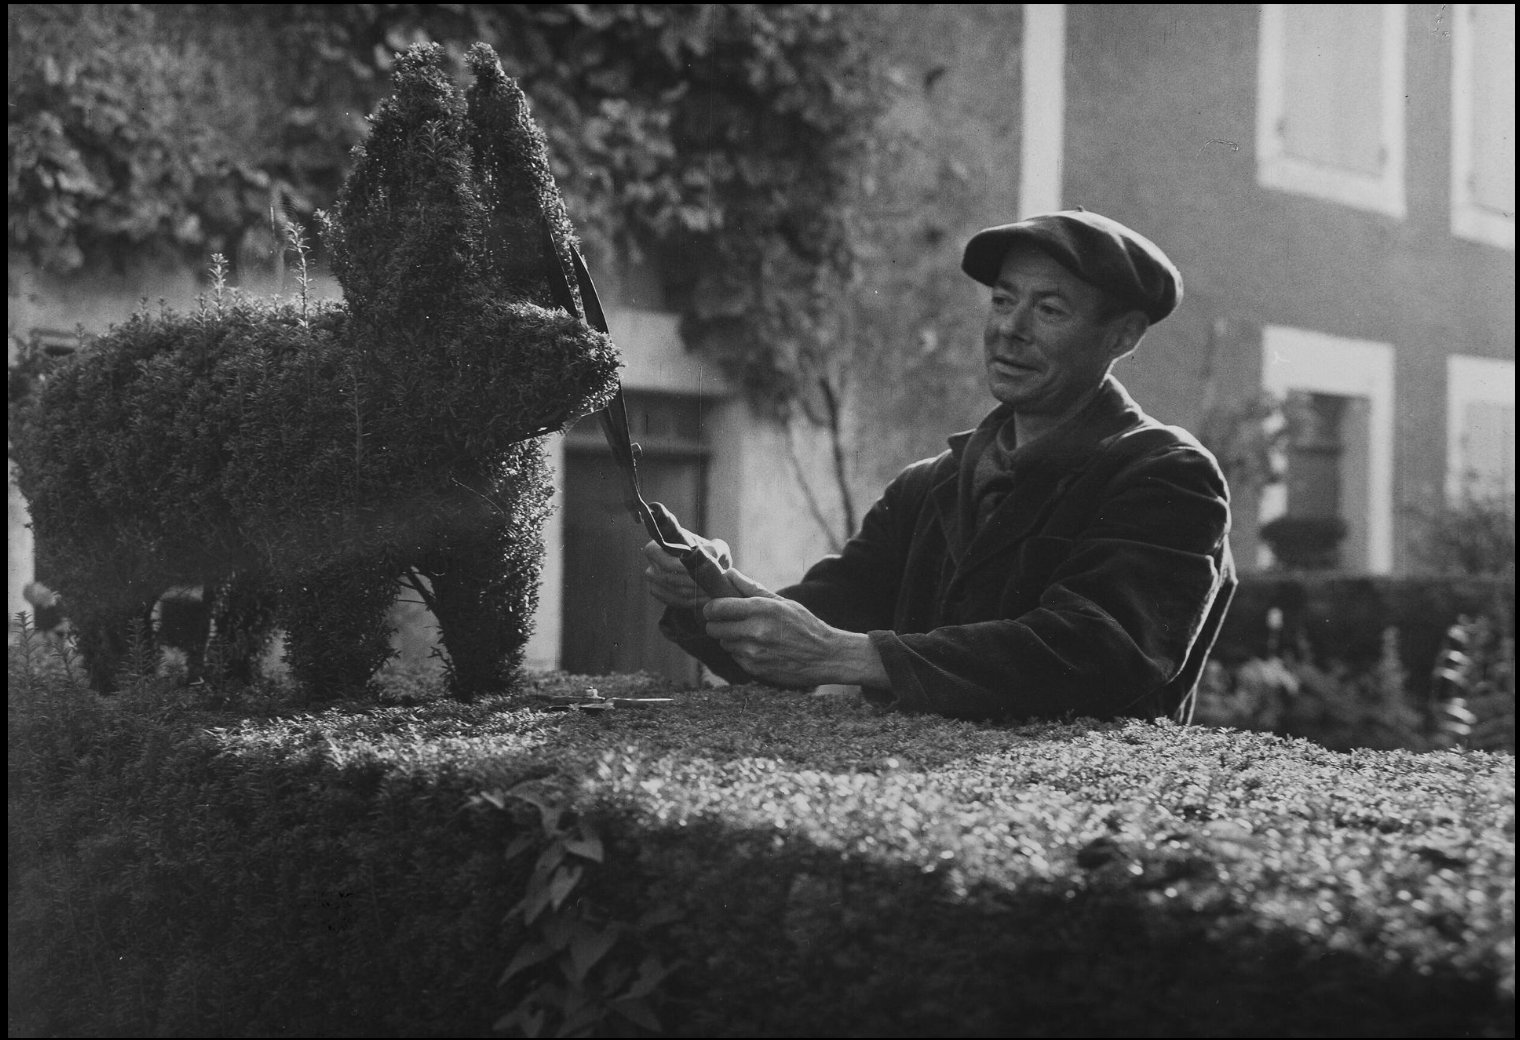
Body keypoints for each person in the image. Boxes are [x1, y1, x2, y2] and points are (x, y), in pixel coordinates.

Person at [643, 209, 1236, 723]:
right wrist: (711, 597)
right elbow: (814, 629)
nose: (1010, 328)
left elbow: (1100, 651)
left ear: (1123, 335)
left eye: (1049, 309)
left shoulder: (1166, 473)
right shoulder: (930, 485)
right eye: (1004, 300)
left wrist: (845, 654)